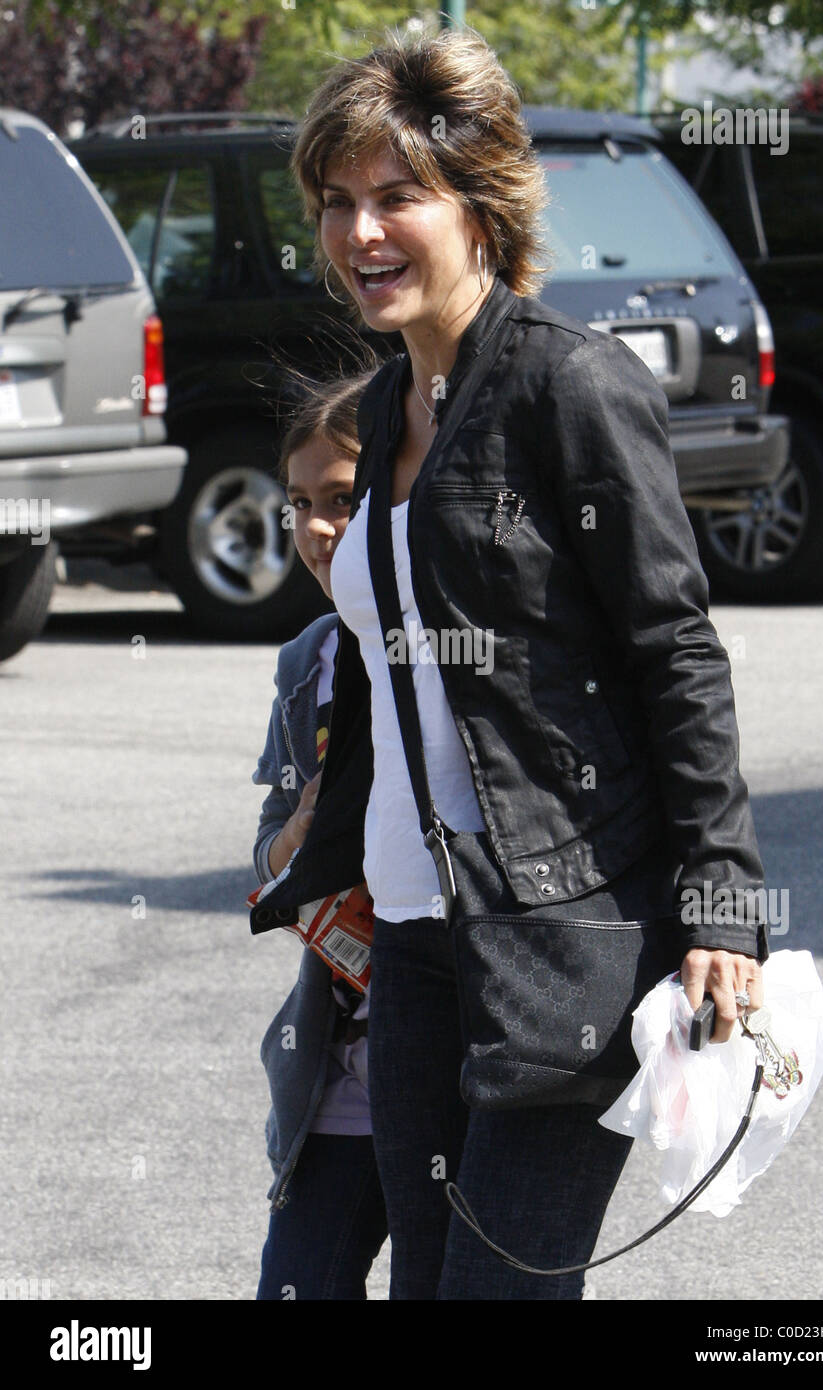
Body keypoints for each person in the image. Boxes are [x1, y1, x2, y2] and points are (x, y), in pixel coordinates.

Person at [276, 26, 769, 1300]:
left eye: (397, 197)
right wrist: (326, 858)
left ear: (479, 204)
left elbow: (673, 645)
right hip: (412, 935)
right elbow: (395, 678)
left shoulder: (569, 388)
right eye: (338, 203)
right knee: (430, 1281)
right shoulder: (386, 406)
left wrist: (720, 894)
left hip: (561, 929)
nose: (359, 232)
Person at [251, 368, 388, 1300]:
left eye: (342, 499)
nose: (314, 530)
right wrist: (291, 843)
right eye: (300, 503)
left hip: (450, 1063)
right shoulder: (309, 660)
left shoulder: (450, 650)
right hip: (337, 1064)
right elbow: (266, 839)